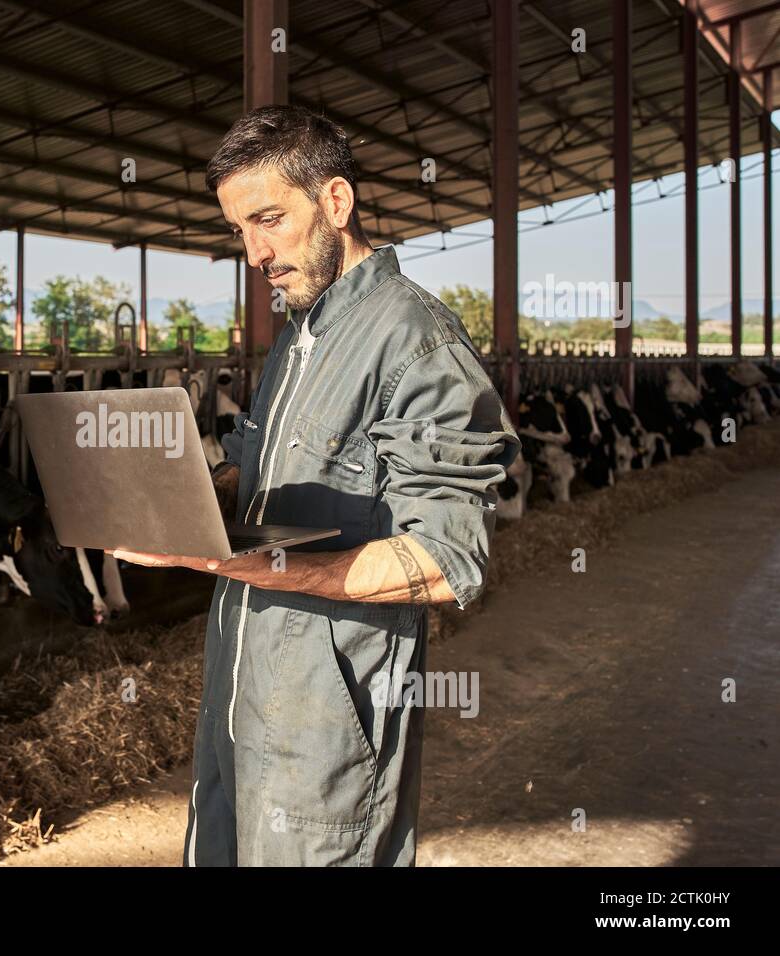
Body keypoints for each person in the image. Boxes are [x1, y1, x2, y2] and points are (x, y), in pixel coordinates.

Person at [109, 105, 520, 866]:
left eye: (269, 219)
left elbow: (447, 557)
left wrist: (242, 564)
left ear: (336, 202)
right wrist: (177, 503)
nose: (255, 251)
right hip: (241, 692)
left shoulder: (416, 341)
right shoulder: (299, 336)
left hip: (330, 723)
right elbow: (264, 480)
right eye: (239, 230)